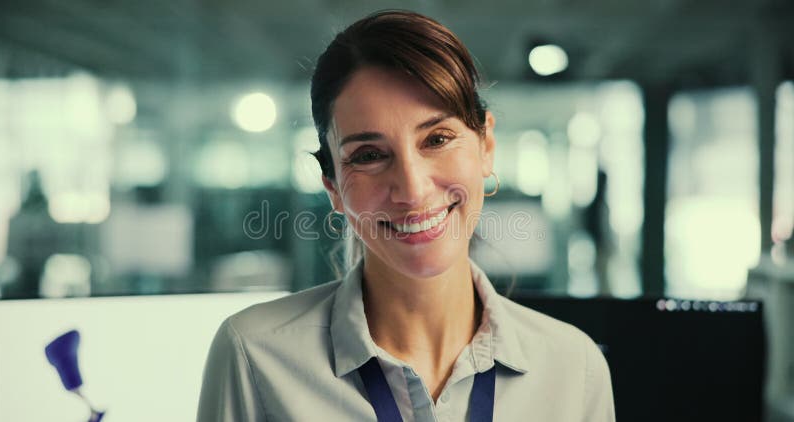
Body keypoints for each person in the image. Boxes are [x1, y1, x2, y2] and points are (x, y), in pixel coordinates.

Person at [197, 10, 615, 421]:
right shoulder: (255, 358)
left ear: (486, 146)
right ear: (332, 186)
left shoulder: (572, 368)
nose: (413, 190)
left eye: (437, 139)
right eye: (369, 155)